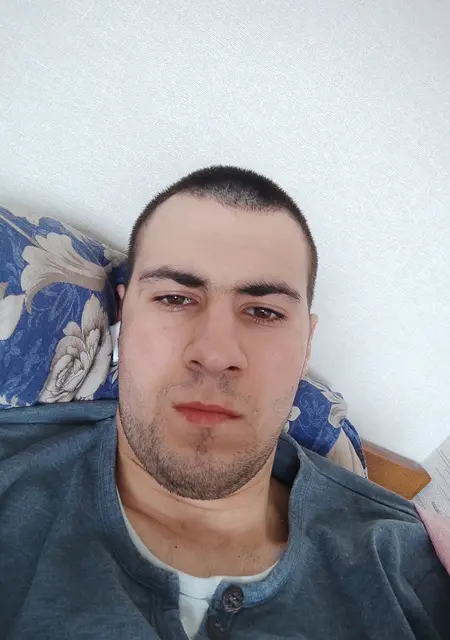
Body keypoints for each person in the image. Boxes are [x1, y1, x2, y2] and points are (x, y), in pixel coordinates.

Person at [0, 166, 448, 640]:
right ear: (124, 320)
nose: (214, 355)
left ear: (306, 348)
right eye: (174, 299)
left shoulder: (408, 570)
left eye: (264, 311)